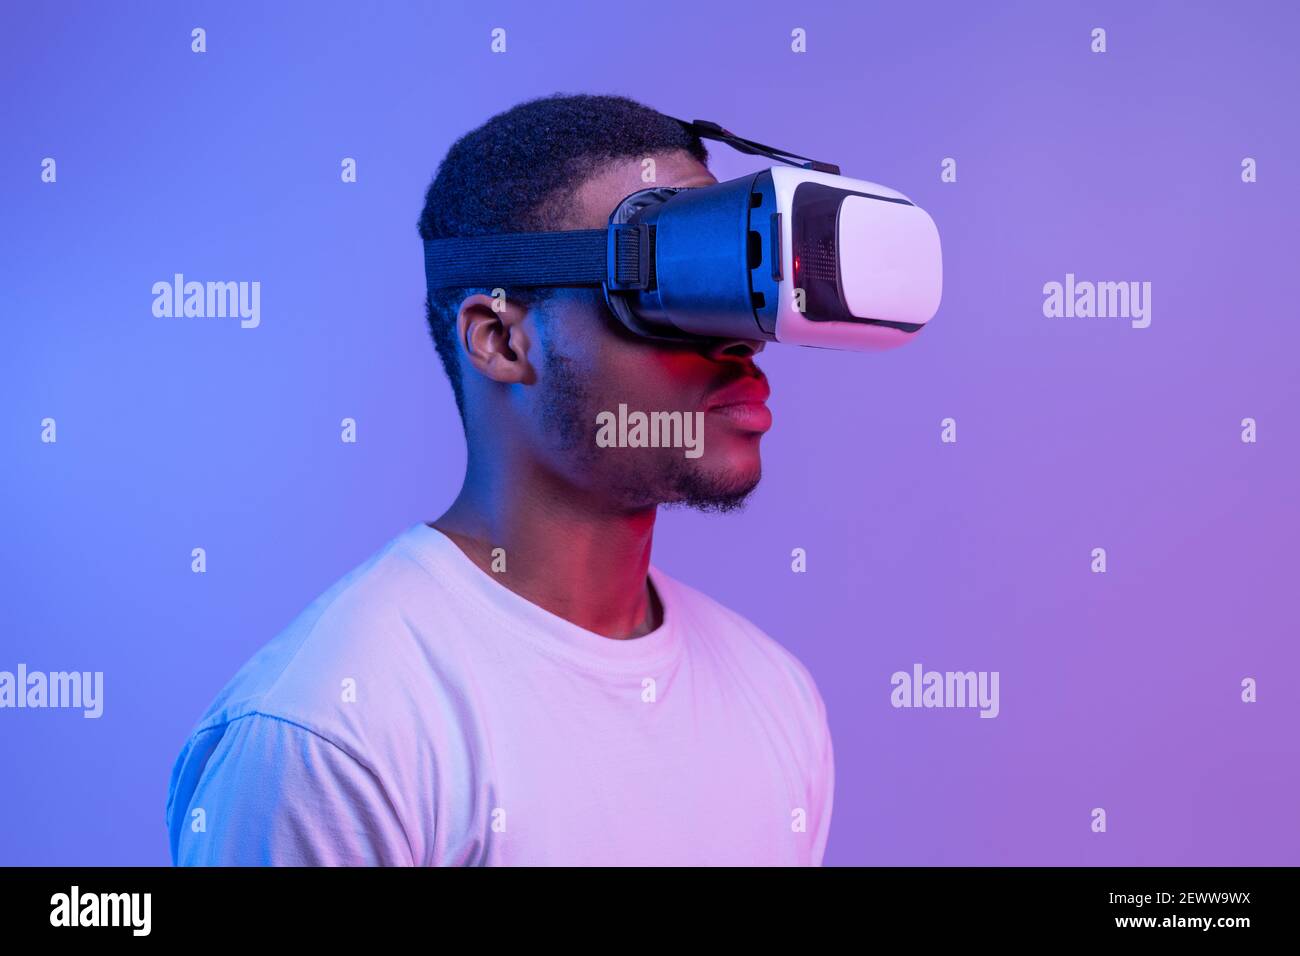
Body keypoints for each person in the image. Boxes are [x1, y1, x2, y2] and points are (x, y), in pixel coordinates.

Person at [166, 93, 833, 866]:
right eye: (672, 285)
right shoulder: (333, 732)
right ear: (502, 341)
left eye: (735, 282)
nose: (738, 342)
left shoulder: (775, 695)